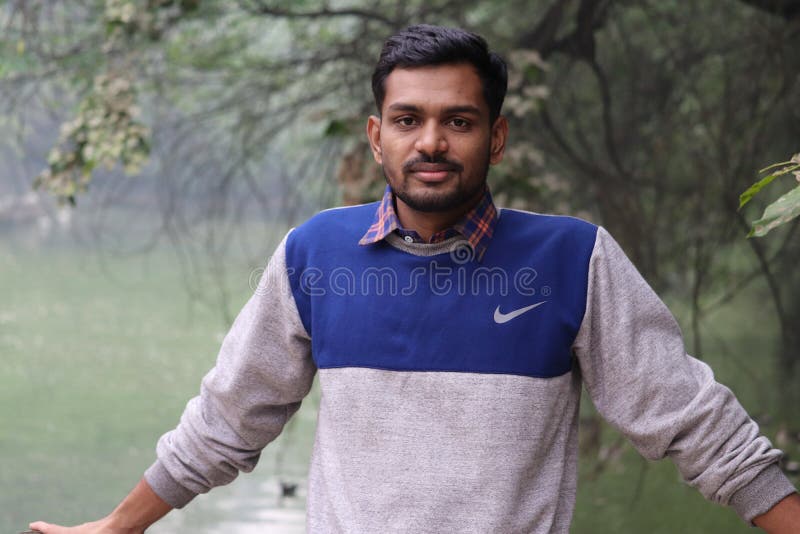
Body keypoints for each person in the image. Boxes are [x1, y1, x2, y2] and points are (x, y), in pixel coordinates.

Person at [31, 24, 800, 534]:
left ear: (496, 136)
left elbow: (696, 425)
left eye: (458, 121)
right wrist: (118, 526)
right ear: (377, 136)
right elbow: (226, 421)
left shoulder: (574, 260)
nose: (431, 141)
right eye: (408, 120)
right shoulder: (313, 254)